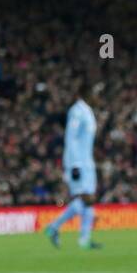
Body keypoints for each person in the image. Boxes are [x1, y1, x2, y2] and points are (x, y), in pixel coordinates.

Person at [45, 87, 103, 250]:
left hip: (87, 162)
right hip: (77, 162)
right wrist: (75, 164)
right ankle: (55, 227)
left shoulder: (88, 111)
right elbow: (71, 137)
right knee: (86, 199)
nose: (99, 97)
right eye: (96, 94)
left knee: (89, 200)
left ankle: (83, 240)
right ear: (87, 94)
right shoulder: (77, 111)